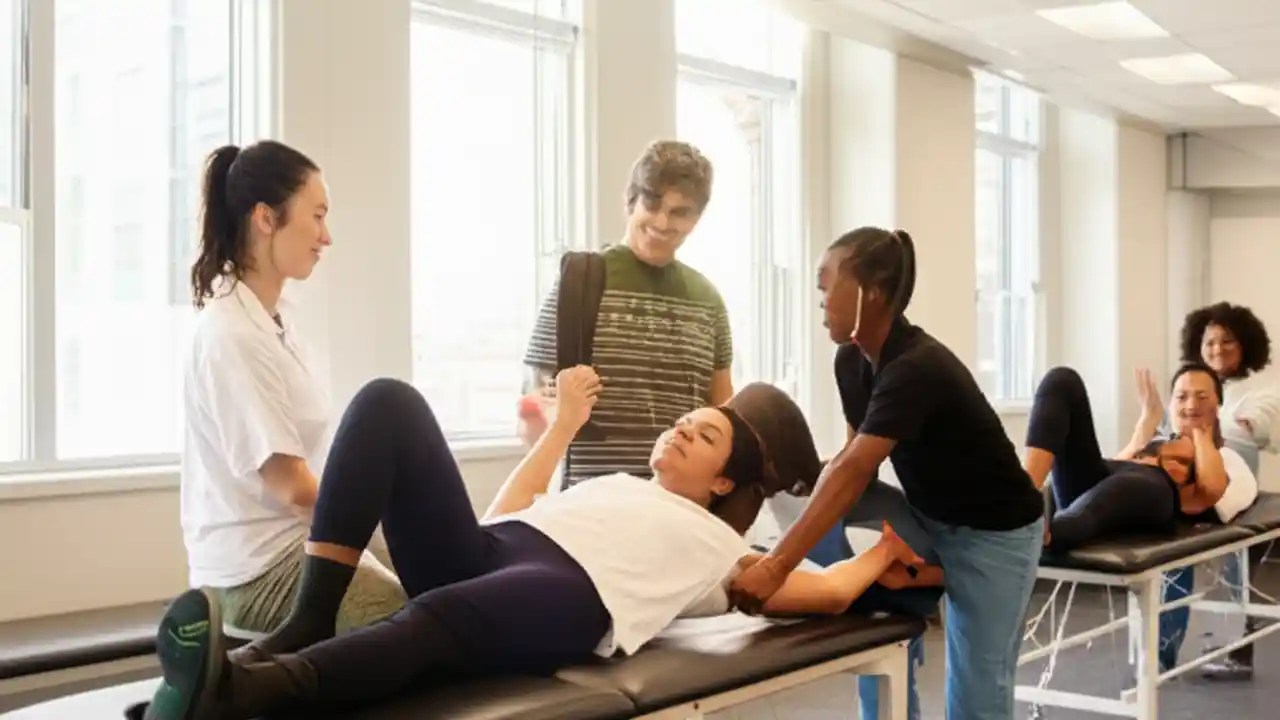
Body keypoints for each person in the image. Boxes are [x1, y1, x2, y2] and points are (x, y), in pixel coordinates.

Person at [141, 369, 930, 720]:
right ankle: (309, 621)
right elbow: (506, 507)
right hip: (496, 548)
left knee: (436, 617)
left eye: (704, 433)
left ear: (726, 483)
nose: (681, 428)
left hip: (569, 595)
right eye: (683, 421)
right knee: (387, 402)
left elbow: (819, 593)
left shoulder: (721, 552)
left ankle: (240, 697)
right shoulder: (617, 484)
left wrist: (883, 555)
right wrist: (560, 430)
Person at [730, 226, 1045, 720]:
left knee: (977, 696)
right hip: (926, 516)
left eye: (827, 282)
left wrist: (776, 567)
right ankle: (898, 631)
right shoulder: (850, 361)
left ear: (872, 292)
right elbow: (851, 458)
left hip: (995, 537)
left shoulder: (917, 367)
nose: (820, 296)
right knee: (876, 643)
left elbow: (856, 467)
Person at [181, 140, 405, 646]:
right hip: (253, 570)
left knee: (439, 599)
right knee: (411, 626)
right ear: (266, 217)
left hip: (298, 541)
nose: (326, 236)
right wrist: (387, 515)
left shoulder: (277, 320)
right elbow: (292, 486)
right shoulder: (231, 333)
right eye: (318, 216)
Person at [519, 140, 734, 489]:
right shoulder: (579, 282)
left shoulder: (708, 299)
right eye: (653, 202)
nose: (663, 222)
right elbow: (536, 408)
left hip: (678, 506)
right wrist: (540, 417)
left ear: (697, 218)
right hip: (591, 504)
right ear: (631, 200)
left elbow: (723, 411)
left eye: (680, 212)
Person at [1024, 364, 1257, 554]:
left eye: (1202, 397)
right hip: (1113, 479)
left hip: (1154, 493)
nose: (1191, 404)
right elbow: (1108, 476)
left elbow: (1211, 491)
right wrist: (1146, 422)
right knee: (1063, 380)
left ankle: (1043, 532)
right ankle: (1023, 497)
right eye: (1182, 397)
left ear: (1218, 406)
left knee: (1131, 485)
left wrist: (1201, 433)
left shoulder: (1226, 456)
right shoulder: (1156, 441)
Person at [1161, 302, 1276, 678]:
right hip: (1187, 496)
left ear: (1246, 347)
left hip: (1233, 500)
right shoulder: (1190, 388)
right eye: (1210, 341)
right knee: (1171, 568)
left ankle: (1235, 654)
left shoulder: (1258, 392)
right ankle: (1163, 653)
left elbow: (1258, 426)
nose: (1217, 349)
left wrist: (1244, 426)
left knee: (1232, 575)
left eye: (1228, 341)